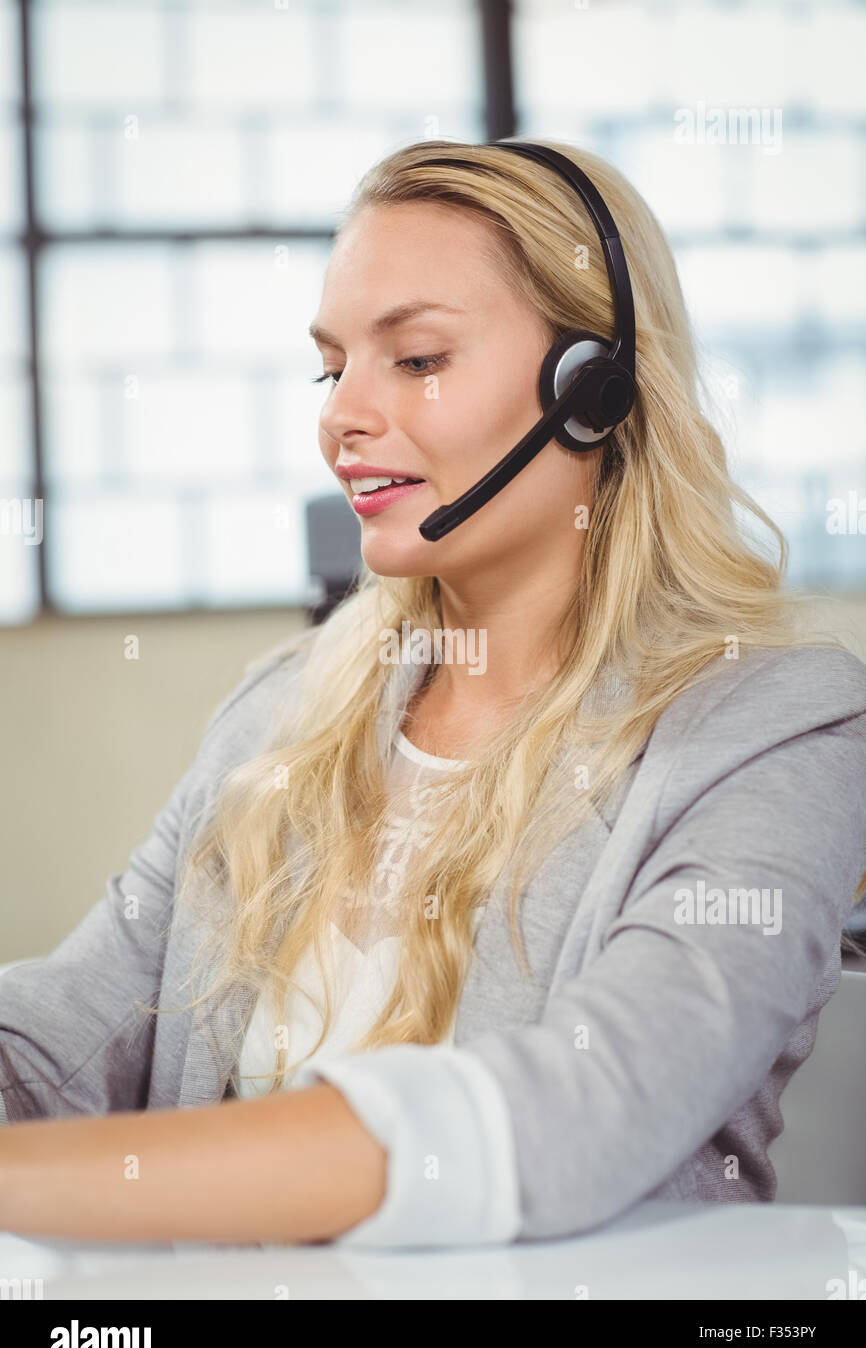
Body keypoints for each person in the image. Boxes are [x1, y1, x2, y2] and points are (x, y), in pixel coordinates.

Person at [1, 138, 865, 1250]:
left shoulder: (772, 727)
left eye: (413, 360)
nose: (340, 417)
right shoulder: (282, 710)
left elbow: (575, 1112)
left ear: (588, 392)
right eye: (331, 367)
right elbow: (54, 1040)